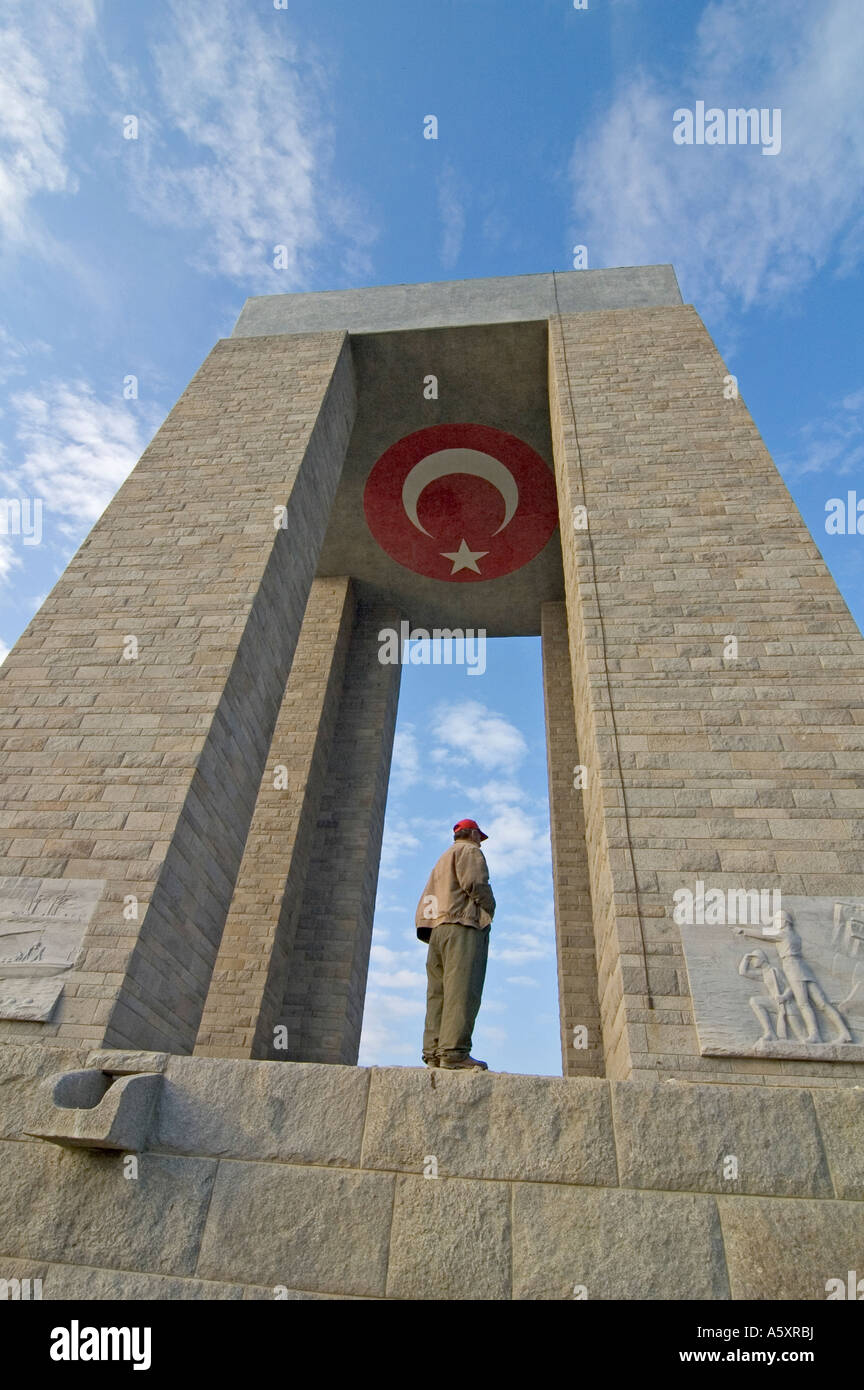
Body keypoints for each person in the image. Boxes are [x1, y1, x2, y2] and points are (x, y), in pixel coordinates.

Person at [415, 818, 496, 1070]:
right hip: (462, 925)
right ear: (472, 835)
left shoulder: (442, 859)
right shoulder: (470, 852)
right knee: (462, 989)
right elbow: (475, 883)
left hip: (437, 930)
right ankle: (454, 1053)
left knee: (437, 993)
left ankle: (434, 1053)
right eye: (479, 838)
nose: (480, 843)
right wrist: (490, 907)